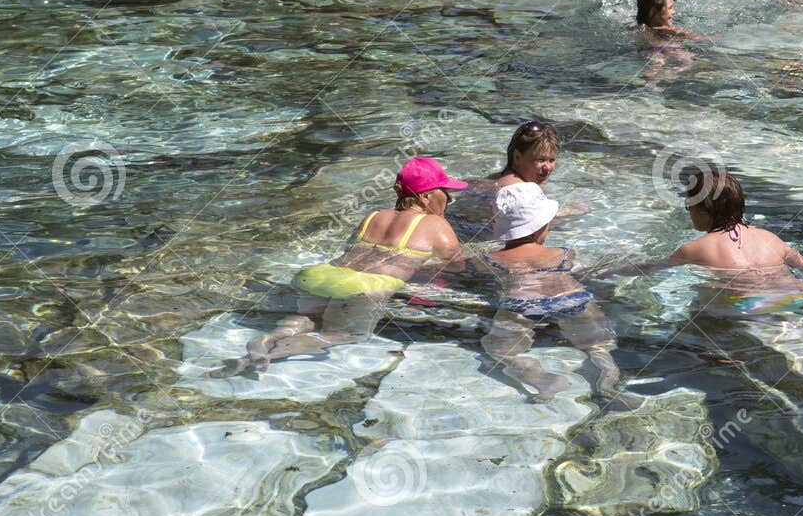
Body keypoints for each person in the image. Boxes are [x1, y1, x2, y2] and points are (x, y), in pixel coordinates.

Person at [244, 157, 466, 362]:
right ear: (426, 196)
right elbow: (457, 266)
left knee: (310, 318)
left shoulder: (373, 216)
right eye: (445, 191)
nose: (448, 198)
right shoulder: (436, 224)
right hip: (363, 287)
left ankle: (269, 337)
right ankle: (266, 356)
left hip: (321, 276)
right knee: (345, 334)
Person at [588, 169, 803, 315]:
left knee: (699, 301)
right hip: (799, 295)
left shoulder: (693, 249)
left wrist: (603, 271)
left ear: (703, 210)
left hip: (747, 305)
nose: (689, 211)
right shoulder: (770, 237)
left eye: (690, 205)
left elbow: (648, 267)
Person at [479, 182, 623, 401]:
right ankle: (608, 384)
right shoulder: (564, 253)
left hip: (522, 303)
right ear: (542, 226)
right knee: (599, 344)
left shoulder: (490, 259)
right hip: (571, 298)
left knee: (500, 350)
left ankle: (544, 381)